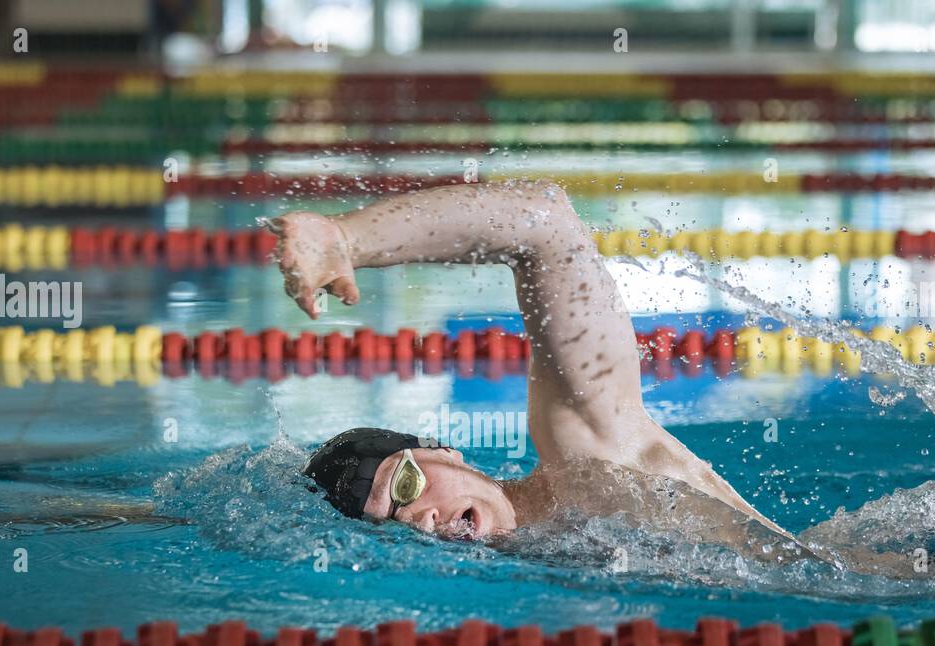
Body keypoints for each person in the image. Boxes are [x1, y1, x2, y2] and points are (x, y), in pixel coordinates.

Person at [280, 180, 821, 563]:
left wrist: (347, 240)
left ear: (443, 450)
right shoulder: (541, 564)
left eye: (406, 484)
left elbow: (545, 222)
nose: (419, 520)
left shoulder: (592, 457)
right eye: (392, 525)